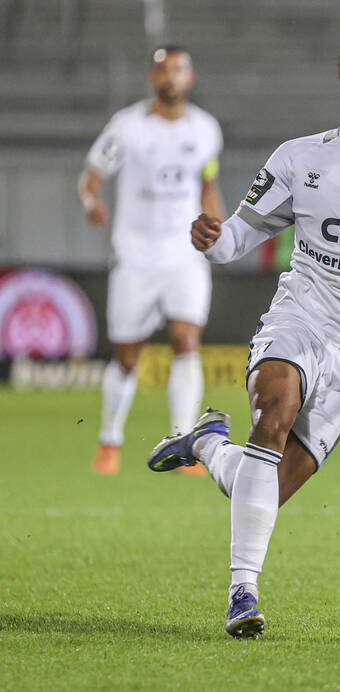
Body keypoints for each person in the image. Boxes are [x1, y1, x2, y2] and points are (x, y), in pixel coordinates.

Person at [145, 36, 340, 639]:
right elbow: (239, 238)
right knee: (273, 409)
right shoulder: (299, 157)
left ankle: (207, 445)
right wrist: (213, 238)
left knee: (264, 487)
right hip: (300, 316)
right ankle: (243, 591)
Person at [79, 44, 224, 476]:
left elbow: (207, 182)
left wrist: (218, 229)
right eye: (164, 70)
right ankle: (110, 442)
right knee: (127, 356)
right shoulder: (126, 127)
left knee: (186, 341)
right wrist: (91, 202)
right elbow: (91, 176)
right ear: (152, 77)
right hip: (135, 255)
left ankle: (183, 443)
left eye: (179, 69)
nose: (171, 78)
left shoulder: (205, 129)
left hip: (183, 254)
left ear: (190, 77)